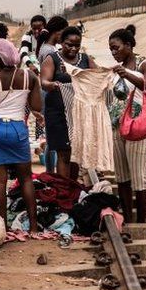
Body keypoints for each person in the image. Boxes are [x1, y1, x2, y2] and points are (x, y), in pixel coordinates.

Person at [0, 38, 43, 232]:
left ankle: (3, 229)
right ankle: (33, 227)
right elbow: (37, 107)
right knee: (25, 178)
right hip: (17, 129)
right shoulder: (29, 77)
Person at [108, 25, 146, 223]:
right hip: (117, 128)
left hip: (138, 128)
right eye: (110, 49)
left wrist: (126, 74)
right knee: (122, 178)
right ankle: (128, 219)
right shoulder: (114, 70)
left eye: (116, 48)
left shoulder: (145, 64)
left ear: (128, 45)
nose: (113, 52)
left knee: (139, 178)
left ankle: (142, 223)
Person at [41, 25, 92, 180]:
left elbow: (97, 76)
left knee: (76, 153)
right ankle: (64, 191)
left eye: (77, 45)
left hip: (78, 112)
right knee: (63, 152)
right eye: (69, 44)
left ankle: (73, 189)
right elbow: (44, 81)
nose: (73, 48)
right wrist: (53, 85)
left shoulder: (85, 59)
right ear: (62, 43)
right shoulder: (52, 58)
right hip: (58, 113)